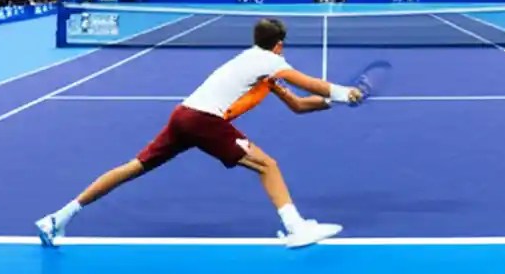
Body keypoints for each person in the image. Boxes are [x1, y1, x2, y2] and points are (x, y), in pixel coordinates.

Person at [34, 18, 363, 248]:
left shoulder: (254, 62)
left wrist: (337, 102)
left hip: (183, 116)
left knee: (133, 167)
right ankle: (295, 227)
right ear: (278, 45)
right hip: (205, 120)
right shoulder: (270, 61)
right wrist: (344, 91)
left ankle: (57, 218)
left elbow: (298, 104)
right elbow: (311, 83)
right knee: (268, 166)